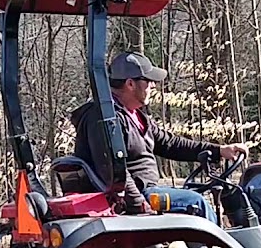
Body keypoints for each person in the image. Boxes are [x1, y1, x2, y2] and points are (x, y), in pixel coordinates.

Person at [70, 51, 248, 223]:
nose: (153, 86)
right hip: (134, 198)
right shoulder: (105, 119)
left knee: (195, 194)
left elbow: (170, 143)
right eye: (148, 81)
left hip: (146, 193)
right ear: (130, 84)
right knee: (198, 203)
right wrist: (141, 205)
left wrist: (219, 151)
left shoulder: (134, 115)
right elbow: (115, 170)